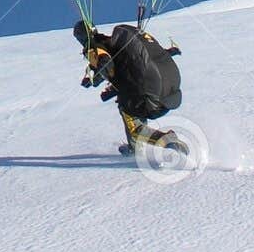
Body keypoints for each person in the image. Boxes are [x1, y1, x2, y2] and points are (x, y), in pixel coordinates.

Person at [74, 20, 187, 158]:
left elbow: (106, 63)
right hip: (169, 92)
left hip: (148, 97)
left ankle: (164, 141)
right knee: (129, 104)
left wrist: (94, 79)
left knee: (132, 118)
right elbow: (129, 65)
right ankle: (134, 148)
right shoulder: (115, 42)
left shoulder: (94, 48)